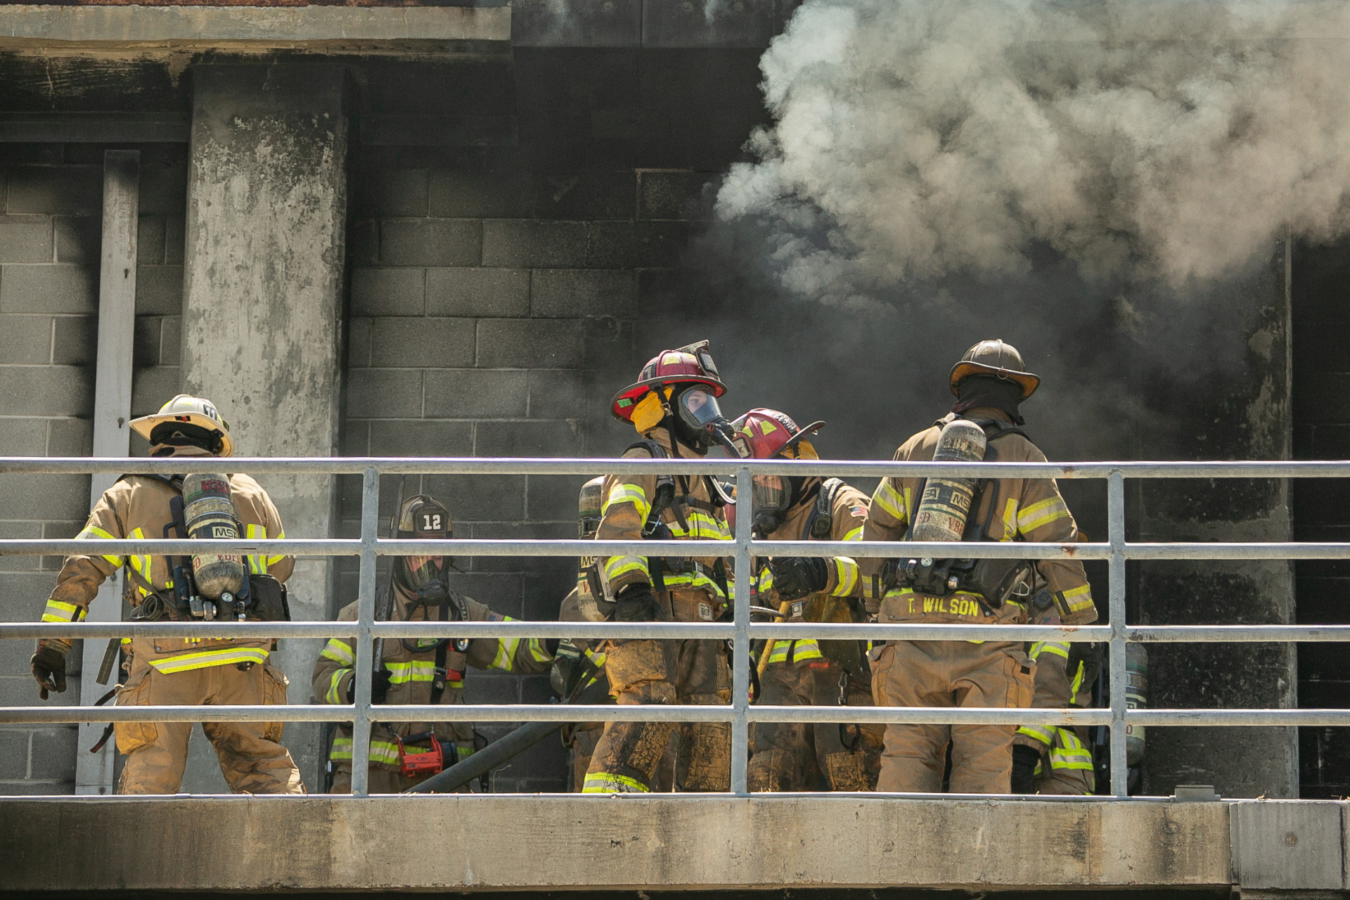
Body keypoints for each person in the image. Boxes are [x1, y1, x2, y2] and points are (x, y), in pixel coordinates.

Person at [30, 394, 303, 794]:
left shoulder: (128, 493)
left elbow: (82, 567)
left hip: (165, 658)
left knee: (151, 779)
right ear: (214, 442)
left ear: (159, 438)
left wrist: (53, 644)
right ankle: (298, 850)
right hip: (242, 658)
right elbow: (281, 567)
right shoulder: (250, 492)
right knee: (262, 766)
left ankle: (137, 857)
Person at [862, 340, 1098, 793]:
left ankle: (895, 858)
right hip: (987, 634)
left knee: (907, 754)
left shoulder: (914, 448)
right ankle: (976, 862)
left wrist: (875, 610)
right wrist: (1082, 625)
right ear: (1015, 398)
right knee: (984, 762)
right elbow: (1058, 545)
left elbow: (877, 533)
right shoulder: (1022, 457)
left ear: (961, 388)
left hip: (910, 630)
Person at [313, 493, 553, 793]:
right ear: (399, 556)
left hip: (443, 781)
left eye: (438, 553)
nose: (431, 564)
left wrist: (556, 640)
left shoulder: (462, 615)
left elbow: (517, 648)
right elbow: (323, 678)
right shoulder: (361, 616)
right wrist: (354, 685)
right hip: (370, 779)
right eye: (420, 554)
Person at [581, 341, 737, 793]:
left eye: (709, 402)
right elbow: (619, 527)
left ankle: (700, 832)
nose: (709, 414)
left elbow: (723, 557)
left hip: (705, 623)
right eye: (696, 401)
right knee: (649, 707)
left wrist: (734, 619)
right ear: (663, 407)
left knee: (711, 723)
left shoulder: (710, 481)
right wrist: (631, 592)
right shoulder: (643, 461)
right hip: (652, 612)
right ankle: (605, 819)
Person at [729, 409, 883, 792]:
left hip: (841, 676)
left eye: (768, 475)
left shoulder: (841, 504)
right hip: (777, 684)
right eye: (755, 480)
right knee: (765, 787)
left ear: (797, 462)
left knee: (852, 785)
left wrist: (821, 572)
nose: (763, 487)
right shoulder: (761, 529)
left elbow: (877, 572)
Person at [1011, 575, 1102, 794]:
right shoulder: (1010, 601)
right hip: (1017, 762)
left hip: (1053, 771)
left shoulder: (1055, 611)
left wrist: (1023, 757)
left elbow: (1048, 683)